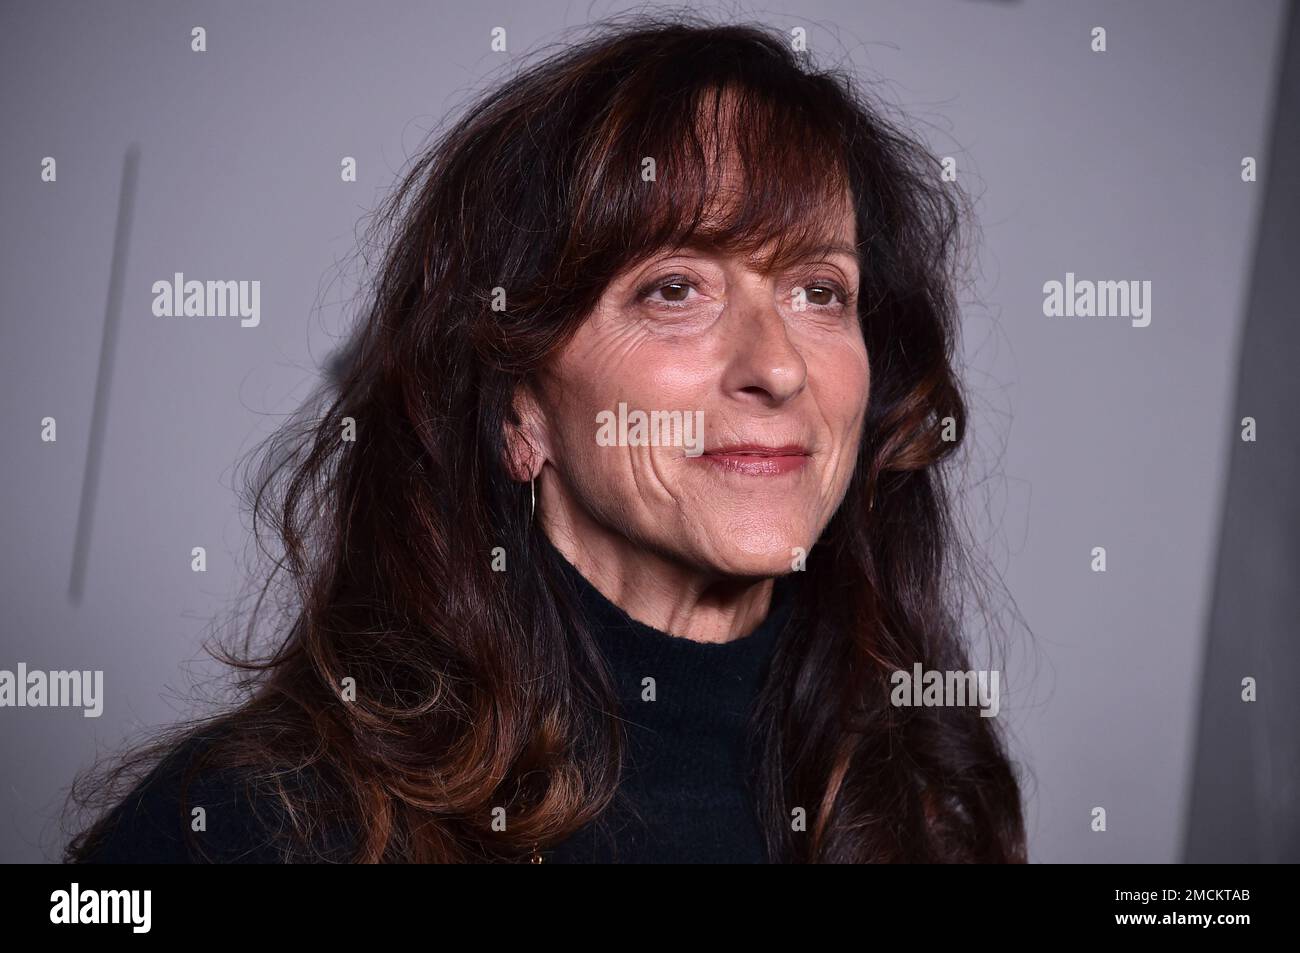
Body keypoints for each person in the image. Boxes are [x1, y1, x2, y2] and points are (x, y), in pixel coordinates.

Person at [65, 14, 1026, 864]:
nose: (776, 368)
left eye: (820, 291)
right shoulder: (260, 824)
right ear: (518, 405)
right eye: (675, 288)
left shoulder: (932, 805)